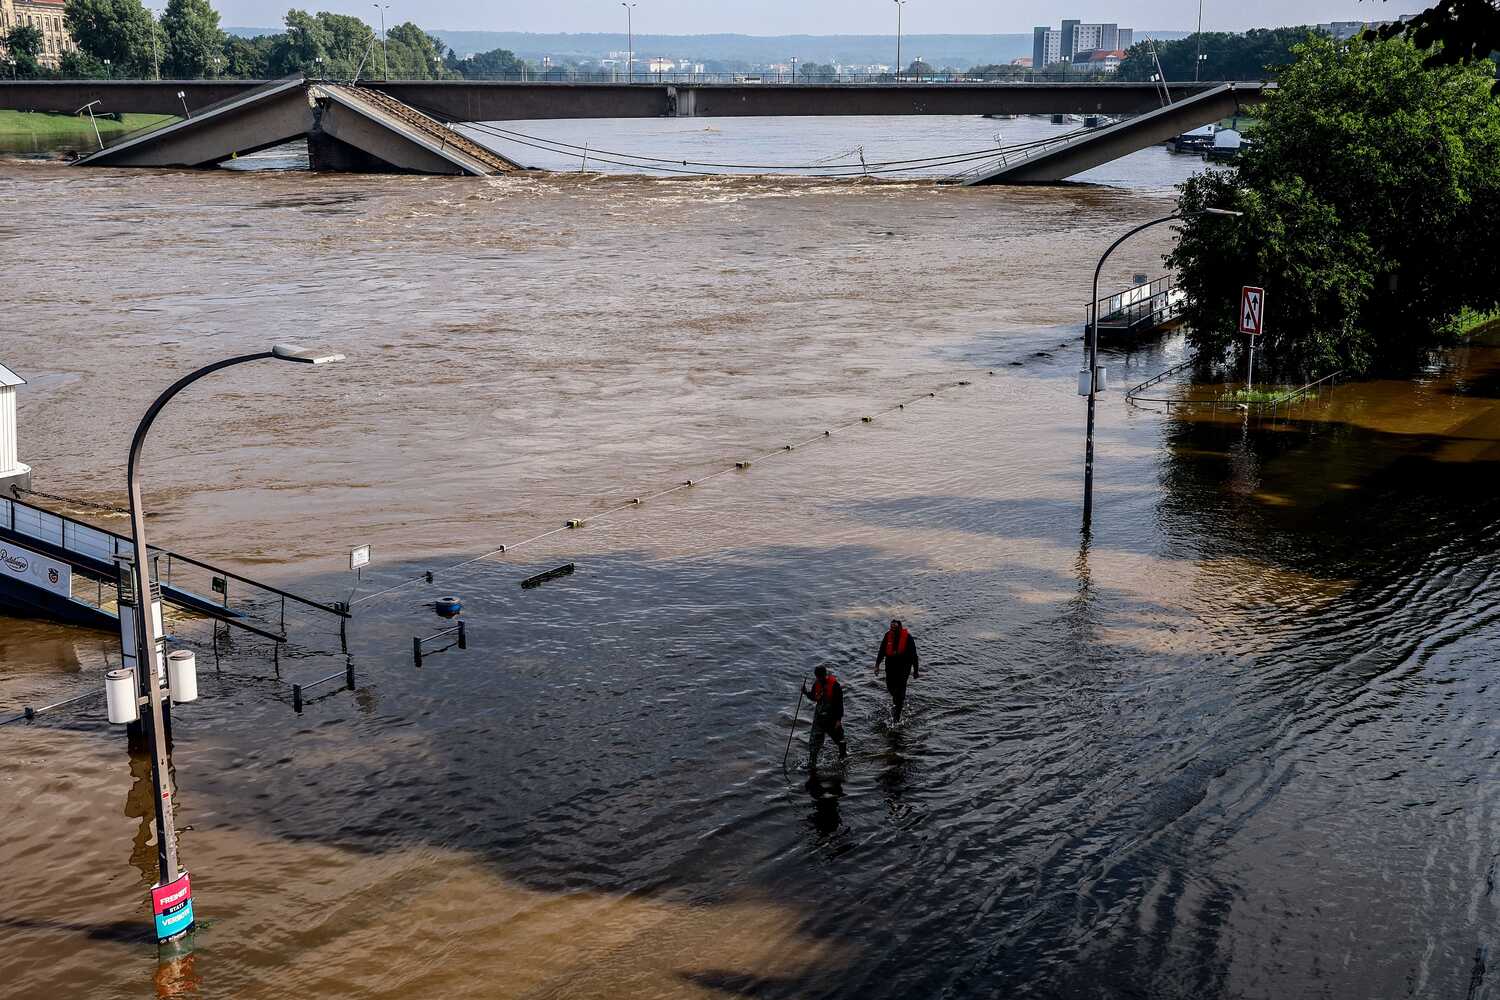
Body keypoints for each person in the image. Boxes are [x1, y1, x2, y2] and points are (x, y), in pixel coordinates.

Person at [802, 665, 847, 771]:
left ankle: (843, 758)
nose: (819, 679)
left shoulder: (835, 686)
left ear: (824, 675)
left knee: (840, 739)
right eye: (817, 677)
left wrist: (838, 720)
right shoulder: (816, 684)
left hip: (832, 719)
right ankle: (812, 765)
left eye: (820, 676)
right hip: (819, 720)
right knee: (813, 743)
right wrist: (805, 693)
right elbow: (814, 697)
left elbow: (839, 704)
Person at [874, 618, 919, 723]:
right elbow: (882, 651)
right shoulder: (887, 636)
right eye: (891, 628)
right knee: (890, 687)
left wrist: (916, 671)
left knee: (900, 691)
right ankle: (897, 702)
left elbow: (914, 656)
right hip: (890, 667)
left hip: (903, 668)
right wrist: (877, 665)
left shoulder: (908, 638)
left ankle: (897, 717)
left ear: (900, 628)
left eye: (895, 628)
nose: (893, 629)